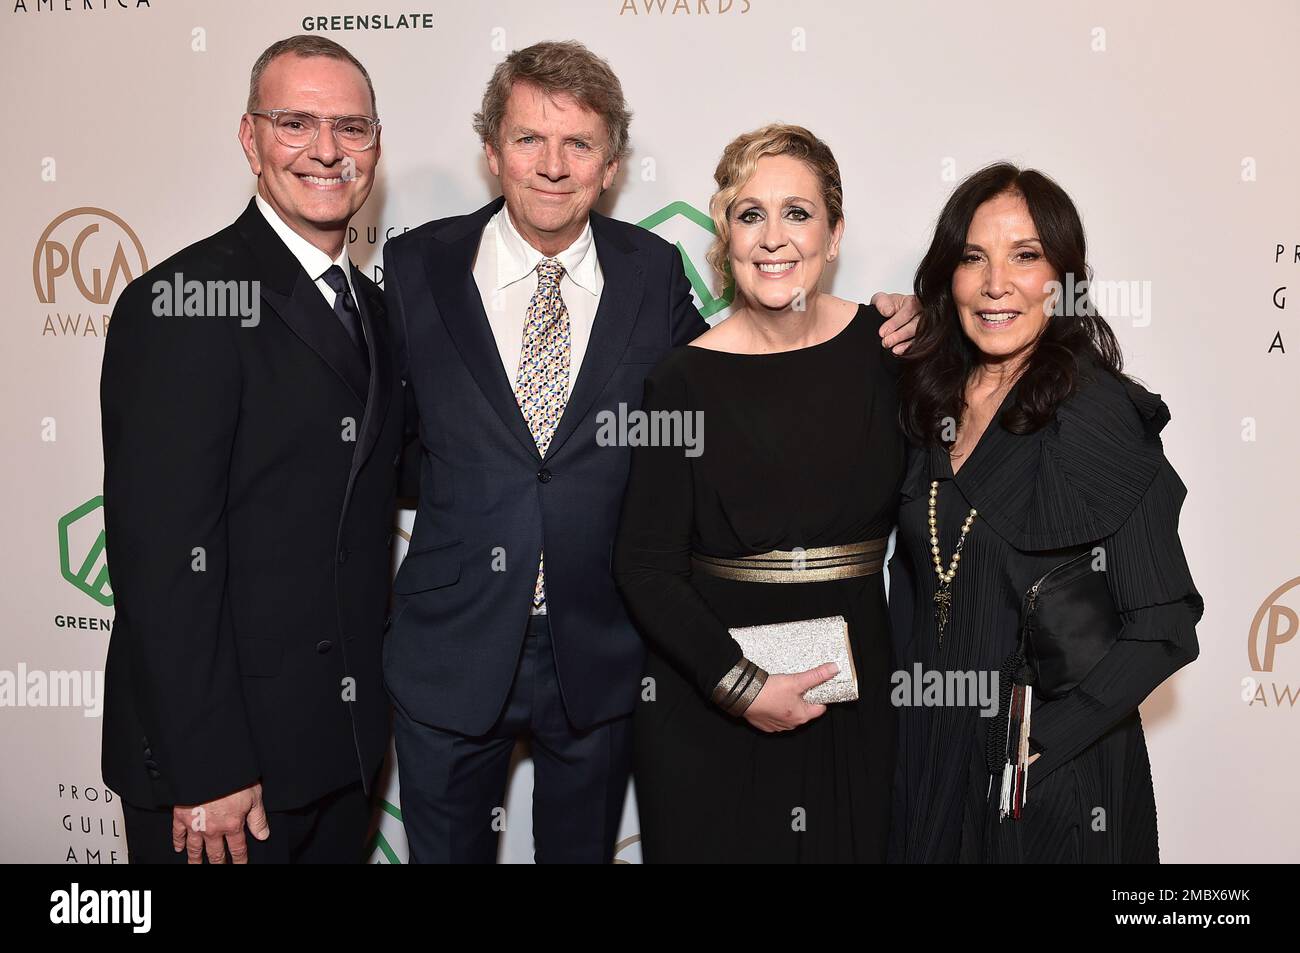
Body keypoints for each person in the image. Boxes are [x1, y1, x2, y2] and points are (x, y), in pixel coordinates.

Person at [382, 44, 919, 863]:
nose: (554, 166)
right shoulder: (416, 264)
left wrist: (889, 320)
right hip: (449, 652)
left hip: (599, 655)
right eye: (529, 139)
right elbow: (387, 440)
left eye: (581, 144)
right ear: (491, 152)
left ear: (611, 164)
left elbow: (745, 395)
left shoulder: (649, 271)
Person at [100, 35, 401, 863]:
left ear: (376, 143)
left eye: (352, 127)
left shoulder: (376, 311)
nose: (327, 150)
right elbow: (161, 560)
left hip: (338, 753)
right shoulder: (184, 302)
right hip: (225, 779)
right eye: (295, 122)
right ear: (249, 138)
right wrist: (210, 769)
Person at [889, 163, 1202, 863]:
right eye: (974, 257)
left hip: (1049, 785)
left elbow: (1165, 626)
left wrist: (1044, 742)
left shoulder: (1097, 415)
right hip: (932, 761)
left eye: (1025, 256)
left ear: (1063, 280)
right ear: (950, 276)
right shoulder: (929, 398)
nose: (996, 282)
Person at [613, 124, 905, 862]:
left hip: (860, 699)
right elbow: (644, 565)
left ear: (835, 235)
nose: (774, 238)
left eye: (798, 213)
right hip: (710, 710)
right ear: (724, 236)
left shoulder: (894, 353)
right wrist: (741, 685)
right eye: (750, 214)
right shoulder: (676, 380)